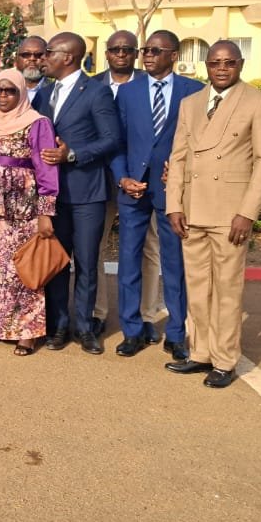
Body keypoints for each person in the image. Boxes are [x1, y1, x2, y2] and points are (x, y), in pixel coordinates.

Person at [166, 40, 261, 388]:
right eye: (215, 63)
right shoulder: (191, 103)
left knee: (227, 289)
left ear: (240, 64)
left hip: (230, 212)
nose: (222, 69)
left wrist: (247, 212)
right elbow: (179, 156)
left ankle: (225, 360)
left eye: (229, 62)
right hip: (193, 207)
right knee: (198, 288)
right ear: (206, 65)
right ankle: (200, 352)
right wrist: (174, 205)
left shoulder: (258, 102)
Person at [111, 30, 204, 361]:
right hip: (133, 189)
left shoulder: (194, 92)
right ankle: (132, 330)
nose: (146, 55)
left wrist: (183, 172)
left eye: (154, 50)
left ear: (173, 55)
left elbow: (202, 143)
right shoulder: (128, 92)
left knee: (173, 262)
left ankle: (177, 333)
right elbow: (118, 142)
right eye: (144, 50)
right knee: (129, 262)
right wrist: (122, 177)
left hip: (173, 191)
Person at [32, 32, 120, 355]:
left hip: (86, 193)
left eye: (49, 52)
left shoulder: (96, 93)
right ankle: (57, 326)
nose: (43, 58)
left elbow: (111, 139)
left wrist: (72, 154)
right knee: (55, 262)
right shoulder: (44, 94)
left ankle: (84, 328)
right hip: (52, 195)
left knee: (85, 262)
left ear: (68, 57)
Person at [0, 68, 59, 354]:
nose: (4, 96)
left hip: (24, 207)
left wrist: (46, 211)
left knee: (23, 267)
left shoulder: (37, 123)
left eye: (11, 91)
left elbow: (46, 168)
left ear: (21, 92)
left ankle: (27, 332)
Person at [92, 29, 162, 341]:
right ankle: (97, 313)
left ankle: (146, 315)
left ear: (136, 53)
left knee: (148, 250)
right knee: (94, 248)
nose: (121, 54)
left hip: (141, 184)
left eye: (128, 49)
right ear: (105, 53)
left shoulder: (152, 86)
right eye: (115, 49)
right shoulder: (90, 85)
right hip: (100, 182)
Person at [15, 36, 50, 105]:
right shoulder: (5, 89)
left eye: (38, 55)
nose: (32, 59)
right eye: (26, 55)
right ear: (17, 59)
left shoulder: (55, 91)